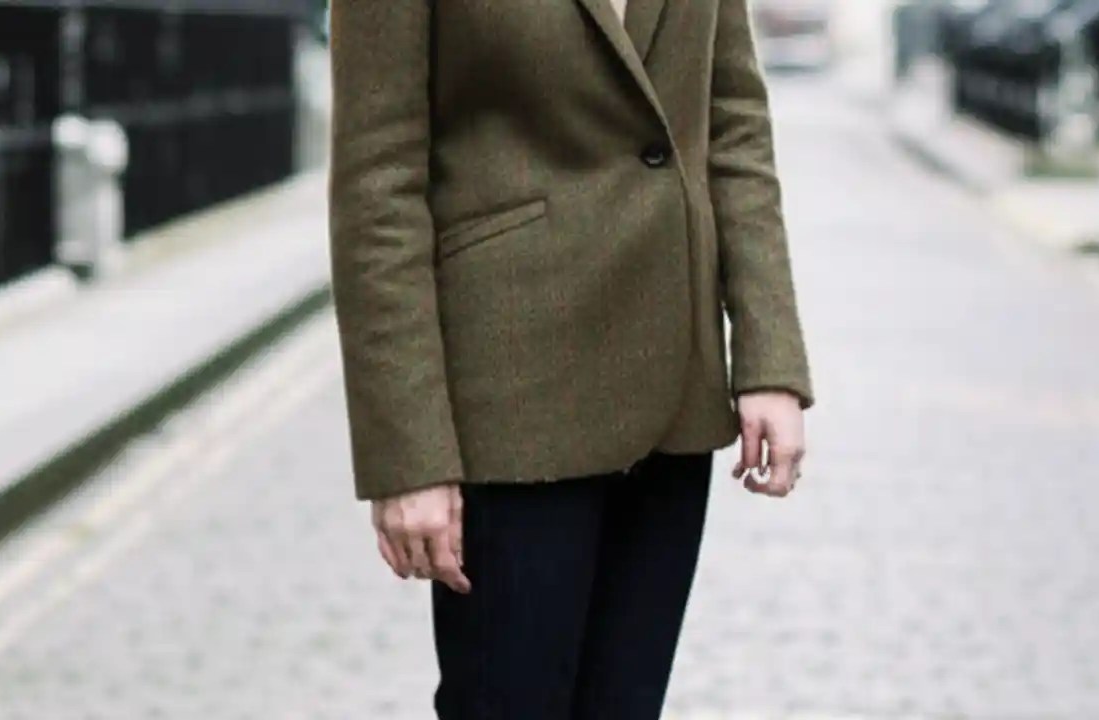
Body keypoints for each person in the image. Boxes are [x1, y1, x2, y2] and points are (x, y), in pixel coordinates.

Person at [326, 0, 814, 717]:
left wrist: (770, 356)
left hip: (671, 390)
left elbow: (733, 123)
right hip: (509, 398)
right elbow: (378, 190)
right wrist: (409, 455)